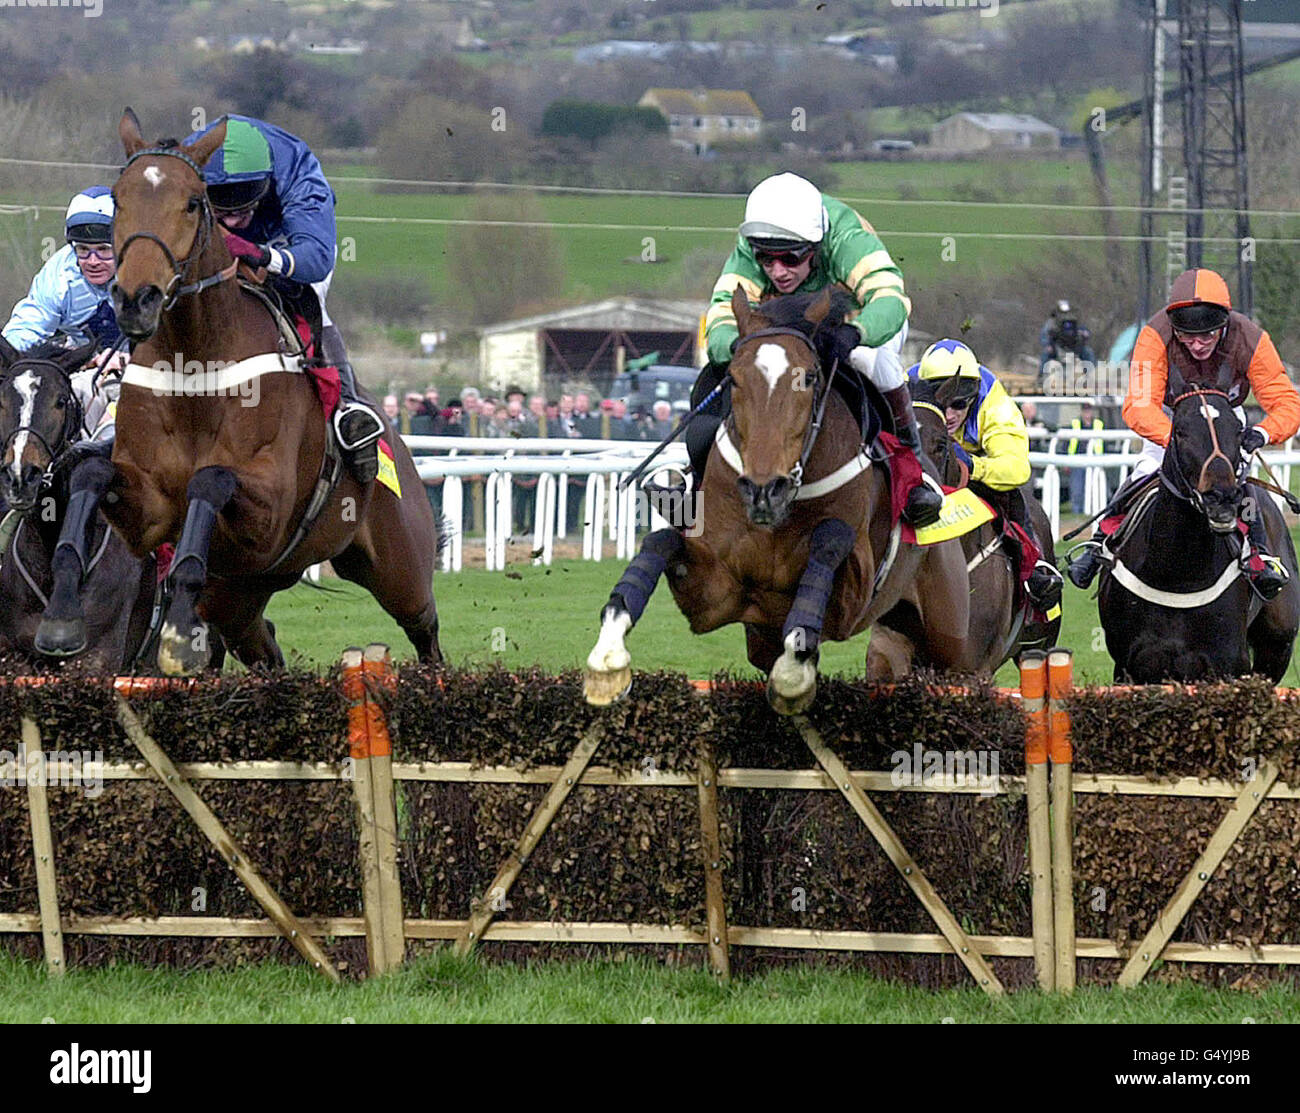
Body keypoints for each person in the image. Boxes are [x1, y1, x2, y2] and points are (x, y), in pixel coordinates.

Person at [698, 172, 942, 526]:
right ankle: (693, 488)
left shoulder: (846, 237)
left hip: (859, 320)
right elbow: (721, 311)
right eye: (766, 260)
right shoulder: (751, 242)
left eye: (790, 259)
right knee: (729, 371)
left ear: (814, 247)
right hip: (788, 332)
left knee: (874, 362)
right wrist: (736, 345)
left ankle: (914, 474)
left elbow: (890, 300)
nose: (777, 271)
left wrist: (855, 333)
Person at [1067, 268, 1300, 599]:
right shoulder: (1156, 333)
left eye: (1206, 336)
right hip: (1173, 419)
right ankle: (1099, 542)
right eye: (1188, 336)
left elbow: (1287, 404)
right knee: (1146, 470)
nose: (1197, 344)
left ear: (1223, 324)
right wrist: (1176, 440)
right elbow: (1139, 405)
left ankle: (1259, 556)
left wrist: (1261, 433)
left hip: (1224, 419)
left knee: (1236, 478)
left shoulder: (1250, 337)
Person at [184, 114, 385, 483]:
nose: (231, 222)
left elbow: (316, 260)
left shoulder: (298, 173)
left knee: (310, 302)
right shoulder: (192, 162)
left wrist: (264, 257)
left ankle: (348, 410)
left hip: (287, 241)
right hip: (210, 241)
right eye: (222, 210)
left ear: (265, 186)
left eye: (242, 209)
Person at [911, 339, 1063, 611]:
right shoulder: (905, 387)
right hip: (921, 469)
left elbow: (1016, 469)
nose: (949, 414)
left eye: (959, 404)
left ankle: (1035, 570)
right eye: (942, 402)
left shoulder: (995, 403)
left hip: (974, 471)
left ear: (973, 395)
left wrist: (972, 465)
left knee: (1012, 496)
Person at [1039, 299, 1095, 382]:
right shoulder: (1051, 323)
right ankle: (1041, 375)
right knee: (1046, 354)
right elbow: (1044, 335)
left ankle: (1090, 375)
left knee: (1088, 352)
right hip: (1058, 346)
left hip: (1074, 345)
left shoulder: (1074, 321)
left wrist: (1085, 334)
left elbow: (1084, 330)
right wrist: (1047, 345)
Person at [1066, 401, 1106, 514]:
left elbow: (1104, 444)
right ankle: (1077, 512)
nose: (1087, 413)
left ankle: (1094, 512)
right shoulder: (1075, 424)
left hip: (1095, 461)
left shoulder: (1099, 424)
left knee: (1095, 490)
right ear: (1082, 412)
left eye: (1089, 410)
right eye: (1085, 411)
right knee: (1077, 490)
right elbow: (1067, 443)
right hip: (1077, 461)